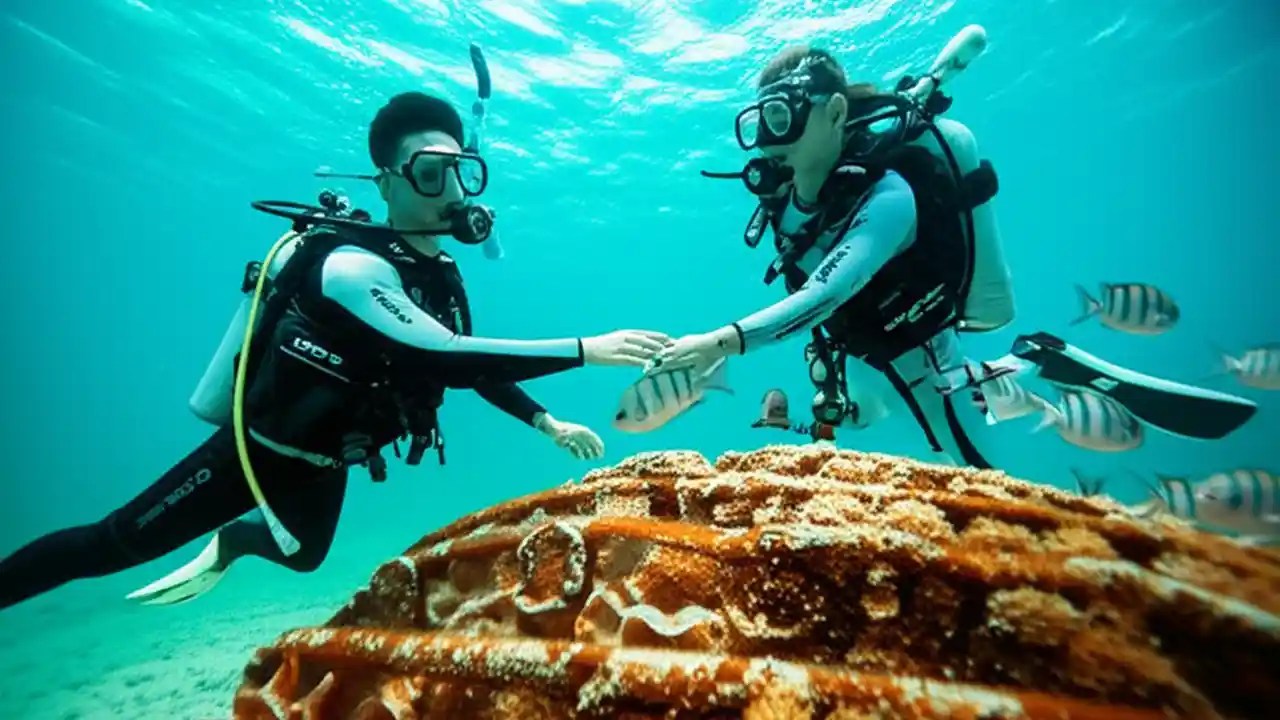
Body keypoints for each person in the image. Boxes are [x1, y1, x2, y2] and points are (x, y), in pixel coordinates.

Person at [0, 90, 670, 611]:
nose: (455, 192)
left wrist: (545, 421)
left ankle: (235, 541)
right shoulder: (350, 267)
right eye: (431, 173)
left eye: (463, 172)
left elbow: (471, 363)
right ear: (387, 182)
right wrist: (588, 349)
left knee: (305, 560)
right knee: (111, 544)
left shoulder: (440, 278)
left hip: (330, 460)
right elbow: (443, 358)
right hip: (258, 453)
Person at [656, 39, 1257, 468]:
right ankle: (1017, 370)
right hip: (860, 349)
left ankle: (1038, 361)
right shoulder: (782, 199)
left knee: (973, 469)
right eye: (764, 119)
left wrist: (717, 341)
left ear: (836, 112)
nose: (770, 138)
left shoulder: (887, 195)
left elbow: (825, 292)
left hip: (914, 342)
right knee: (858, 419)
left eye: (784, 116)